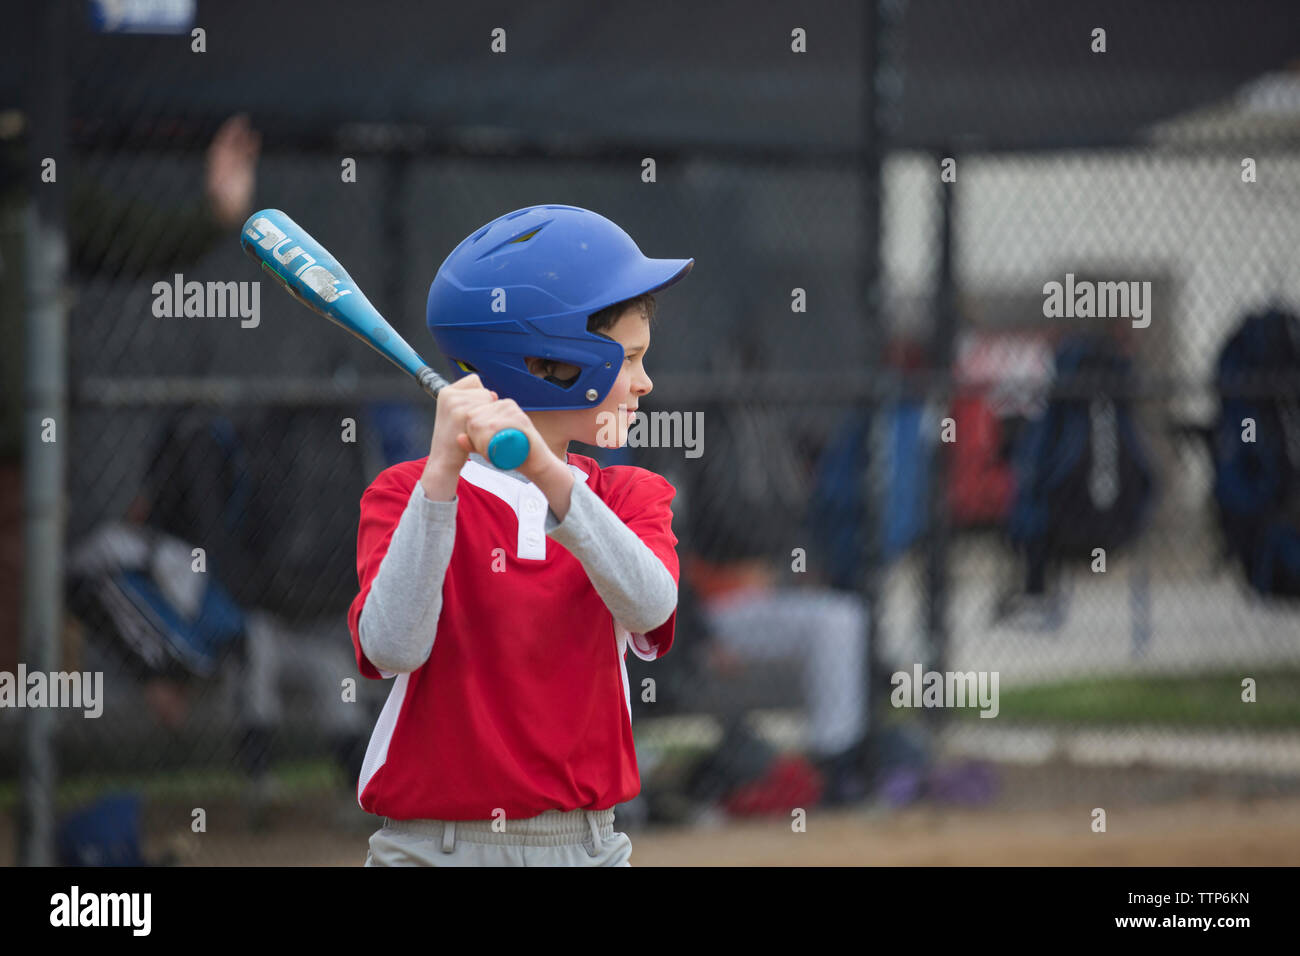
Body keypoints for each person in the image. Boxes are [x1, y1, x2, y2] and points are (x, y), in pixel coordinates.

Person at [350, 204, 692, 866]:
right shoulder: (407, 495)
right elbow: (392, 647)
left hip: (585, 847)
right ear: (550, 361)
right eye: (627, 360)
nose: (645, 383)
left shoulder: (627, 496)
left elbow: (651, 605)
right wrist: (442, 477)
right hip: (429, 850)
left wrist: (544, 470)